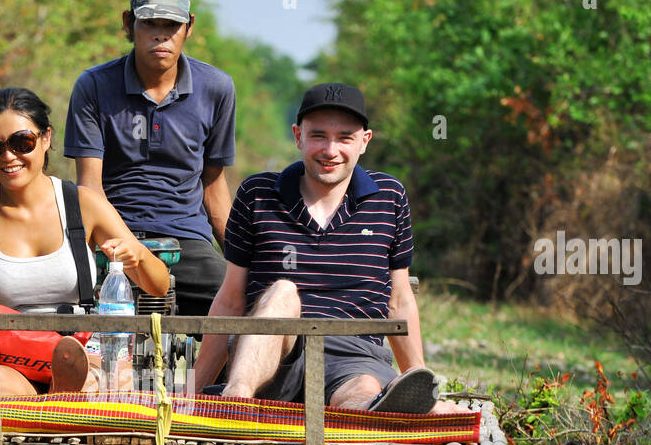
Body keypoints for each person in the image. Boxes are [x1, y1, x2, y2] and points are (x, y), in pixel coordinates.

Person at [189, 83, 461, 414]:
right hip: (273, 352)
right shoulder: (257, 193)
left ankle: (378, 408)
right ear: (298, 136)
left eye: (345, 137)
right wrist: (194, 391)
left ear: (365, 141)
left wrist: (421, 381)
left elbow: (400, 299)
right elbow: (231, 298)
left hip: (355, 354)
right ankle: (236, 401)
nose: (330, 150)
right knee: (282, 292)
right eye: (318, 135)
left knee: (363, 388)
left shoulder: (388, 197)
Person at [0, 87, 168, 397]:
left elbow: (159, 286)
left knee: (85, 376)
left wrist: (138, 257)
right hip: (10, 358)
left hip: (80, 352)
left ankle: (58, 395)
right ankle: (51, 399)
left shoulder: (82, 204)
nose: (8, 156)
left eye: (22, 142)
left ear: (46, 138)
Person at [63, 0, 235, 319]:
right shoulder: (94, 86)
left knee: (241, 313)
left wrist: (241, 263)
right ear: (129, 24)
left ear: (189, 27)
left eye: (171, 25)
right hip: (112, 235)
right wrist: (121, 245)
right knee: (67, 314)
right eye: (149, 23)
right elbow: (90, 188)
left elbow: (213, 184)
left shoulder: (216, 88)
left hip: (186, 239)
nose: (161, 34)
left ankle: (211, 377)